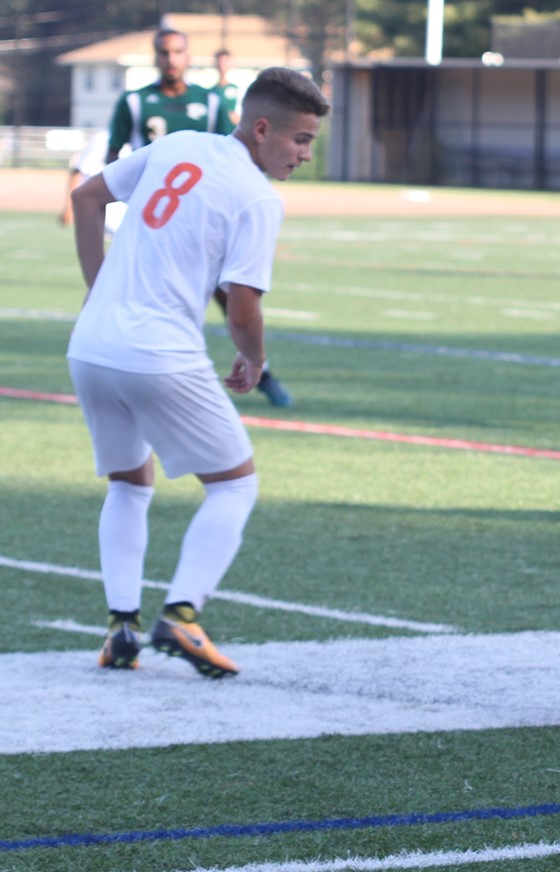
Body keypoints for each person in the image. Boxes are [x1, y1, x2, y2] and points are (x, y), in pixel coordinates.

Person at [68, 67, 330, 678]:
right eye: (300, 140)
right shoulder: (259, 196)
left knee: (130, 485)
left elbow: (85, 197)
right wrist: (256, 360)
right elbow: (243, 309)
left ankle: (120, 630)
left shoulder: (182, 144)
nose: (306, 154)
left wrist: (97, 290)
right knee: (235, 484)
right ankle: (182, 615)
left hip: (91, 346)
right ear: (261, 128)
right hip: (159, 354)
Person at [108, 27, 293, 408]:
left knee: (232, 296)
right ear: (155, 55)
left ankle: (263, 372)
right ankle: (145, 375)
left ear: (188, 55)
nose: (170, 58)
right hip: (156, 223)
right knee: (152, 299)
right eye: (163, 52)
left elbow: (235, 153)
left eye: (177, 51)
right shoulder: (135, 102)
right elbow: (113, 158)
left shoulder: (207, 102)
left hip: (206, 221)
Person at [215, 48, 241, 126]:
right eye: (220, 61)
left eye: (225, 61)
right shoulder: (211, 91)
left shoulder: (237, 89)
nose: (222, 64)